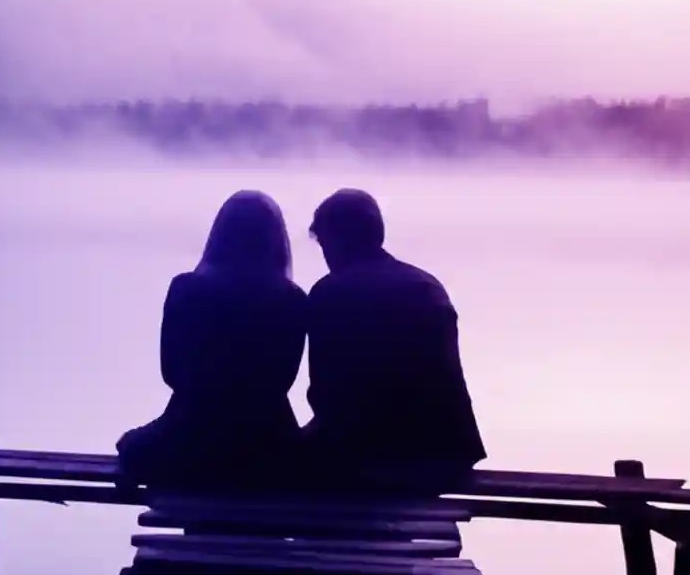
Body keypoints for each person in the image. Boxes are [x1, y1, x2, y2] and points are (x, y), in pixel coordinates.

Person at [117, 191, 307, 489]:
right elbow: (284, 379)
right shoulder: (292, 299)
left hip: (189, 433)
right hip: (269, 441)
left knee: (130, 446)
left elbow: (171, 373)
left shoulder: (187, 288)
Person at [303, 189, 485, 492]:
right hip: (445, 452)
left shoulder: (331, 293)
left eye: (324, 243)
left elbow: (326, 394)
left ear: (336, 240)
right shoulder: (426, 286)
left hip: (373, 455)